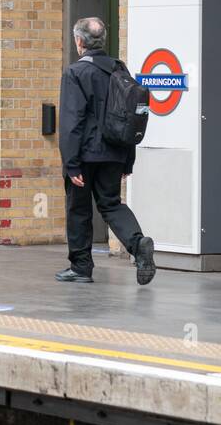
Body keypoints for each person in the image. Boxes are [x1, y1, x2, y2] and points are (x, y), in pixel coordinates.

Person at [57, 16, 156, 285]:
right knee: (111, 204)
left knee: (79, 209)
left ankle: (80, 268)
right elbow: (133, 115)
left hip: (85, 154)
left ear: (79, 41)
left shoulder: (75, 72)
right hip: (115, 152)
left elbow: (71, 122)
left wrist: (71, 163)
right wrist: (128, 160)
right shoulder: (119, 69)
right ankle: (138, 244)